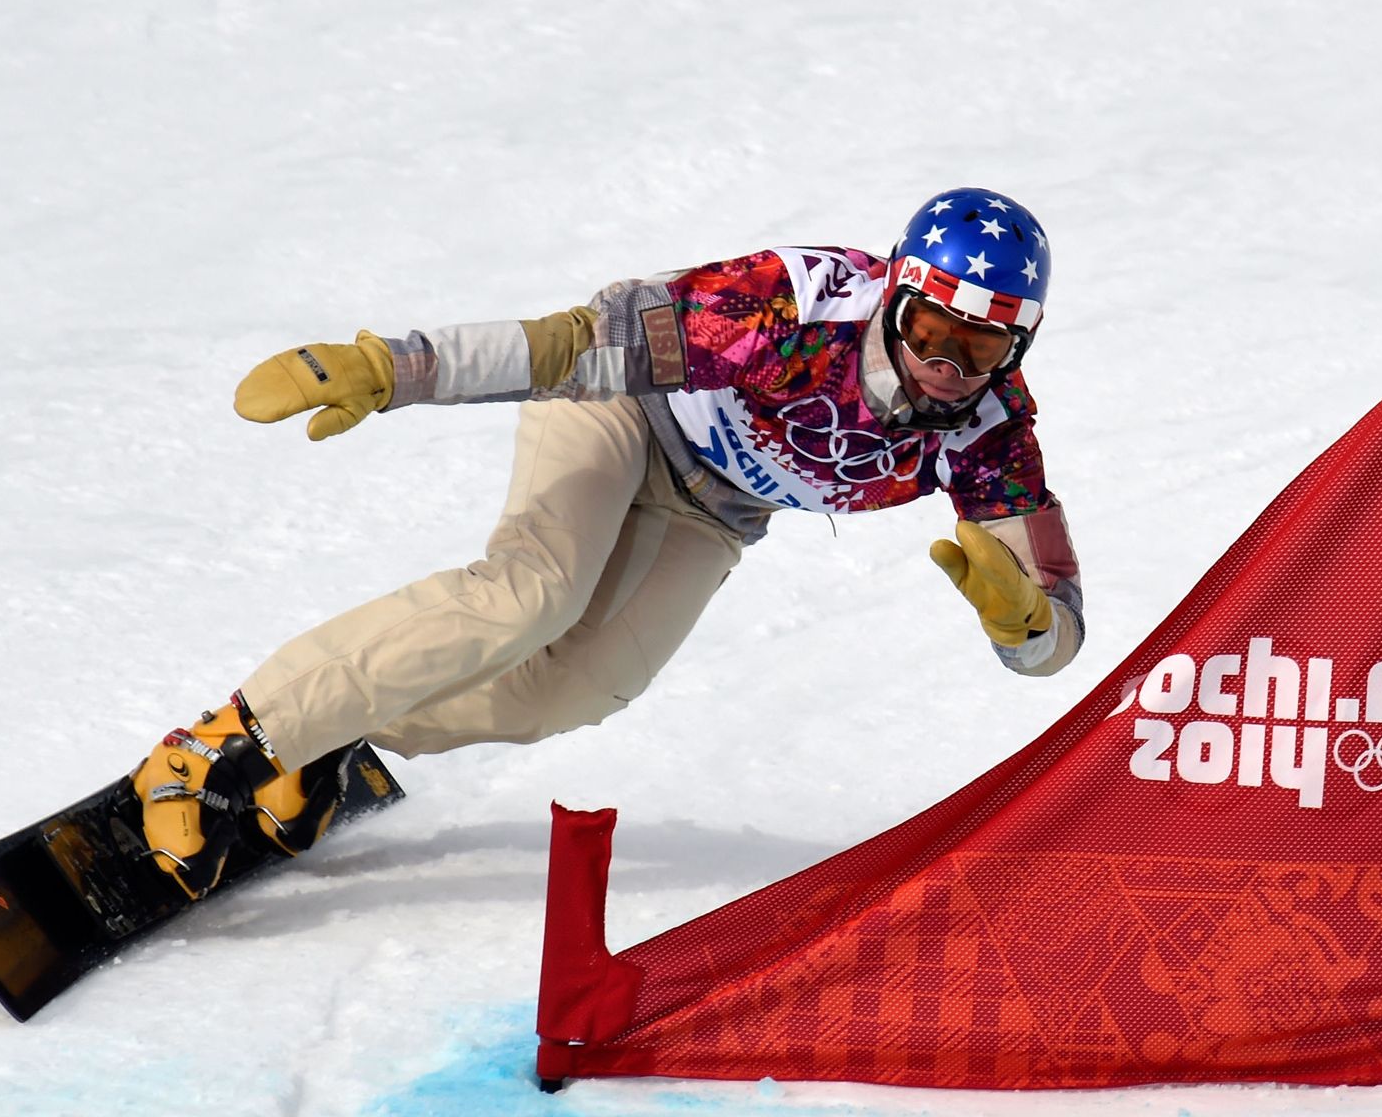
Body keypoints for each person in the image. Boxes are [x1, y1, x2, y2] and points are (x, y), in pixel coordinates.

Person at [133, 187, 1087, 898]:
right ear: (898, 297)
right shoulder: (798, 310)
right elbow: (573, 345)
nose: (947, 368)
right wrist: (393, 369)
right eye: (932, 330)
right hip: (627, 414)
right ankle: (211, 751)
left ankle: (329, 735)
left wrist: (1022, 620)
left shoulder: (991, 428)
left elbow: (1055, 631)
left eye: (982, 350)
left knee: (579, 689)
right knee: (530, 595)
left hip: (714, 509)